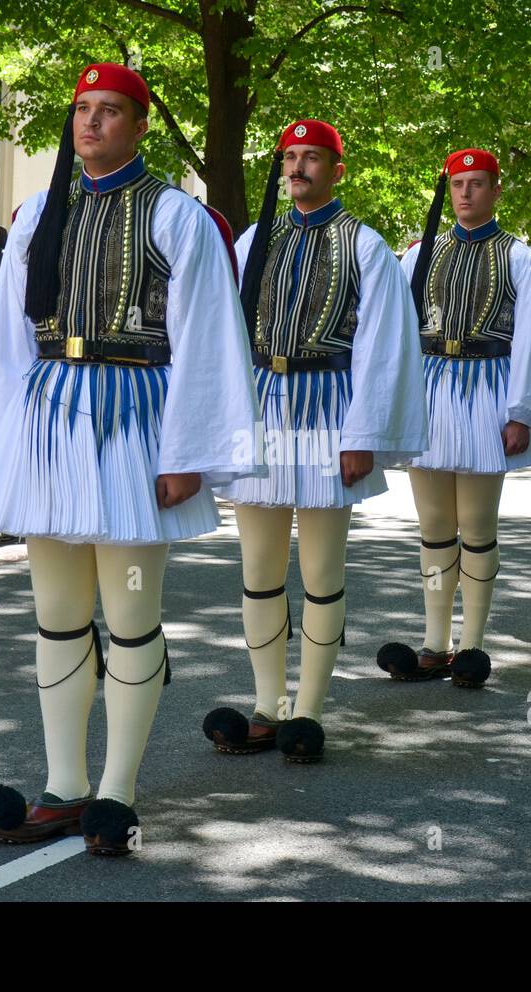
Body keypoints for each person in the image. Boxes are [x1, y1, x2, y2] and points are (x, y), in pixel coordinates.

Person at [0, 63, 259, 855]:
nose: (90, 123)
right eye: (82, 110)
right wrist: (0, 437)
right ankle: (64, 787)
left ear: (140, 125)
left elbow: (209, 341)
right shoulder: (35, 216)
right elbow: (9, 340)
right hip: (51, 421)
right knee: (58, 616)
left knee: (129, 617)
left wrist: (192, 450)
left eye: (109, 112)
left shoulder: (177, 216)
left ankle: (117, 792)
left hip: (136, 420)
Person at [201, 118, 426, 762]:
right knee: (259, 572)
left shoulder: (366, 246)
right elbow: (225, 335)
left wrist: (366, 433)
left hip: (328, 408)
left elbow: (384, 348)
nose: (297, 168)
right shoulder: (252, 240)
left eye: (311, 158)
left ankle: (309, 709)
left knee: (322, 571)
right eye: (290, 158)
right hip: (263, 406)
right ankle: (268, 704)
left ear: (337, 169)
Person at [376, 148, 531, 683]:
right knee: (435, 526)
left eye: (477, 184)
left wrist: (521, 413)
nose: (465, 193)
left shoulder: (521, 260)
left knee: (478, 524)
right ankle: (435, 642)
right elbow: (393, 335)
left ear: (495, 191)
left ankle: (472, 644)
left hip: (488, 390)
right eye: (458, 184)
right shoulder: (417, 256)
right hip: (431, 391)